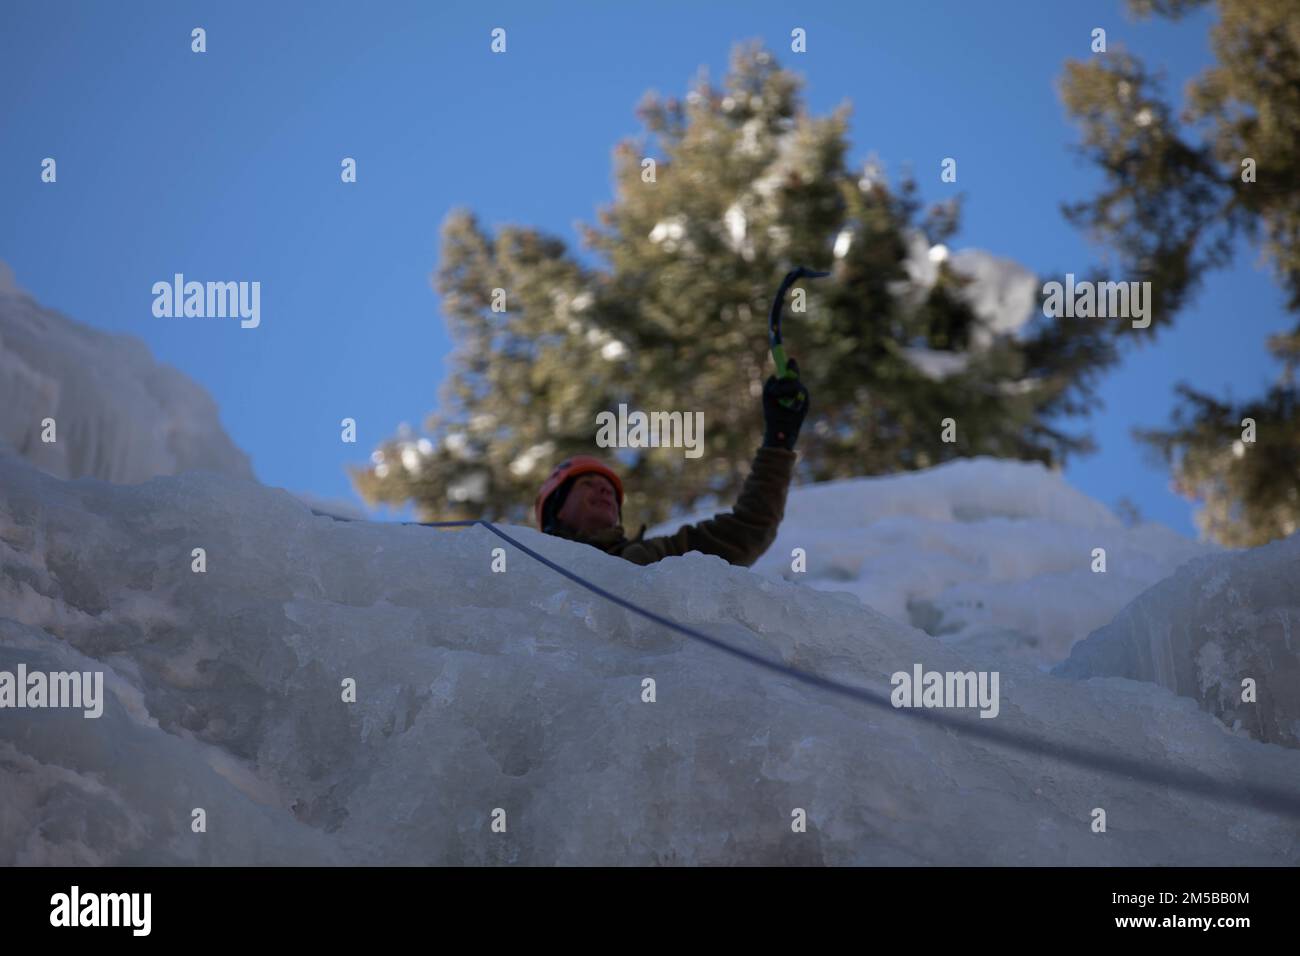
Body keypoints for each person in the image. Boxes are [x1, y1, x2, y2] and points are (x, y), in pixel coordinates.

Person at [533, 364, 809, 567]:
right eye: (588, 485)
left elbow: (749, 528)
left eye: (608, 489)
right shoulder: (532, 566)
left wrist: (779, 438)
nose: (604, 491)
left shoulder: (662, 555)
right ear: (556, 509)